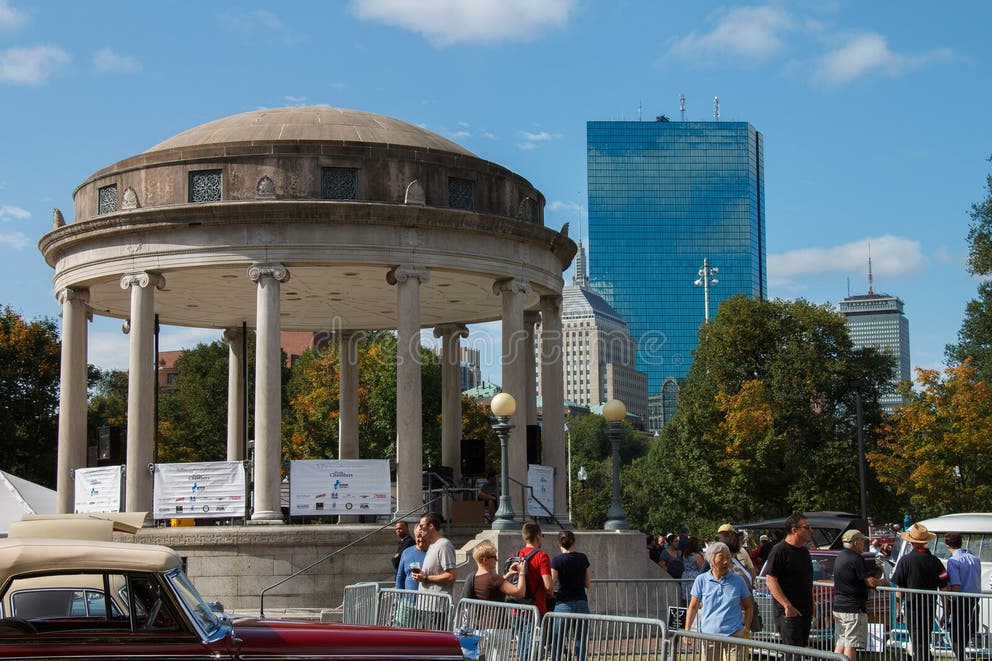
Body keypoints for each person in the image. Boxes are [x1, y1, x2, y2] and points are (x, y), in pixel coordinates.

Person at [683, 541, 754, 661]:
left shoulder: (738, 580)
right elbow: (693, 606)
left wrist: (745, 629)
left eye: (728, 557)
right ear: (711, 560)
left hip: (735, 635)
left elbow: (749, 607)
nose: (726, 562)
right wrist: (687, 630)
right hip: (709, 636)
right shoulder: (702, 580)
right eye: (721, 558)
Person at [892, 523, 949, 661]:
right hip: (929, 606)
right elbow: (944, 587)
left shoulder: (905, 561)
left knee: (917, 641)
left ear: (911, 542)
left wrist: (898, 610)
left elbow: (899, 589)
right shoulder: (935, 561)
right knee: (924, 639)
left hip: (913, 607)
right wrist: (946, 611)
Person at [832, 529, 885, 661]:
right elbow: (870, 582)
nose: (864, 544)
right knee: (851, 644)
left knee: (841, 642)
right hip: (853, 608)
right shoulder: (856, 559)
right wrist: (883, 581)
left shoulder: (840, 556)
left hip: (839, 606)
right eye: (862, 541)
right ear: (855, 543)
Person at [764, 513, 814, 649]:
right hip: (788, 613)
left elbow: (806, 581)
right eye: (807, 527)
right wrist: (787, 605)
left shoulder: (804, 551)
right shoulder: (779, 550)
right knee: (793, 653)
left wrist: (812, 604)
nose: (811, 530)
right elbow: (770, 580)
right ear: (794, 530)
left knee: (801, 650)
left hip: (805, 611)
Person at [515, 521, 554, 661]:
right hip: (536, 608)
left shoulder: (517, 555)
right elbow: (548, 586)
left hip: (517, 608)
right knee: (533, 647)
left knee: (522, 646)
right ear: (538, 536)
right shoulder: (541, 556)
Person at [412, 512, 458, 629]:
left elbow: (451, 576)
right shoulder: (432, 545)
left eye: (422, 526)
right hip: (424, 606)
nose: (420, 529)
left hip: (436, 608)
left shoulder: (444, 545)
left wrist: (426, 578)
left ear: (431, 526)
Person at [551, 530, 592, 661]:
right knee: (580, 641)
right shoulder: (583, 558)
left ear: (559, 543)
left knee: (558, 640)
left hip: (563, 603)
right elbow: (588, 583)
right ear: (574, 542)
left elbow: (551, 584)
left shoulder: (557, 561)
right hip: (581, 602)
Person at [944, 531, 981, 661]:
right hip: (974, 599)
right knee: (966, 633)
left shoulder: (953, 561)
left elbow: (956, 586)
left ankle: (961, 658)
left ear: (947, 545)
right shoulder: (974, 558)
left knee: (955, 635)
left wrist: (947, 602)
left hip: (960, 600)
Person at [394, 528, 429, 627]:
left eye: (422, 537)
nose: (420, 539)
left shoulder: (432, 552)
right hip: (407, 601)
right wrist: (399, 597)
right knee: (401, 632)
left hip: (428, 604)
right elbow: (400, 576)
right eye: (418, 537)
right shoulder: (406, 552)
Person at [680, 536, 705, 602]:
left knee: (687, 597)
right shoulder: (696, 556)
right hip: (694, 576)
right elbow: (701, 568)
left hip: (685, 575)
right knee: (695, 596)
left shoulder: (685, 554)